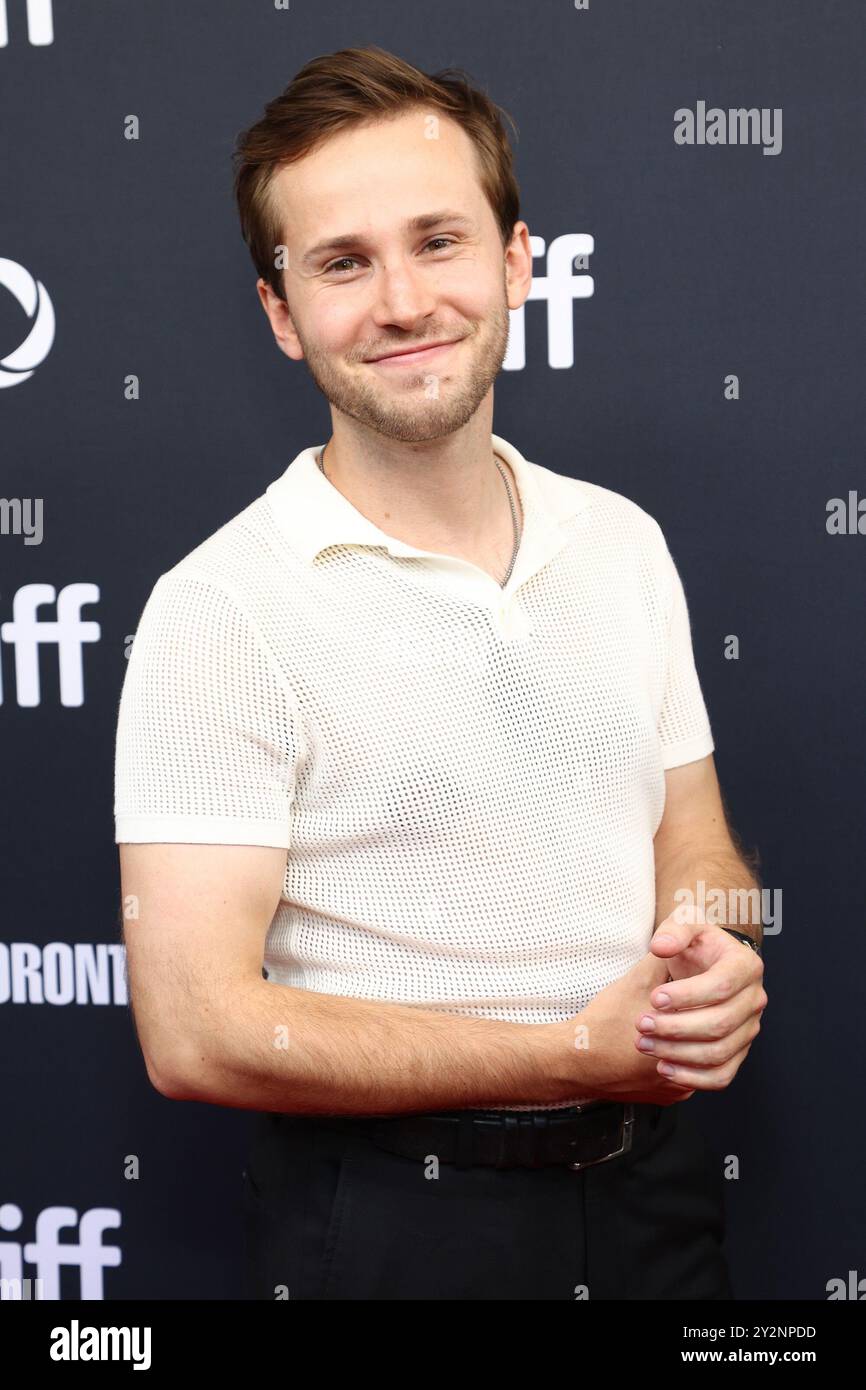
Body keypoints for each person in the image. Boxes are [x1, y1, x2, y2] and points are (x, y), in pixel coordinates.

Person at [113, 44, 766, 1301]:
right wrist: (569, 1048)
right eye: (343, 264)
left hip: (656, 1201)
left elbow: (695, 839)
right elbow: (194, 1030)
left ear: (518, 261)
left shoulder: (620, 541)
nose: (403, 301)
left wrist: (713, 948)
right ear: (280, 311)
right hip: (390, 1231)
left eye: (439, 242)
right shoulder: (219, 607)